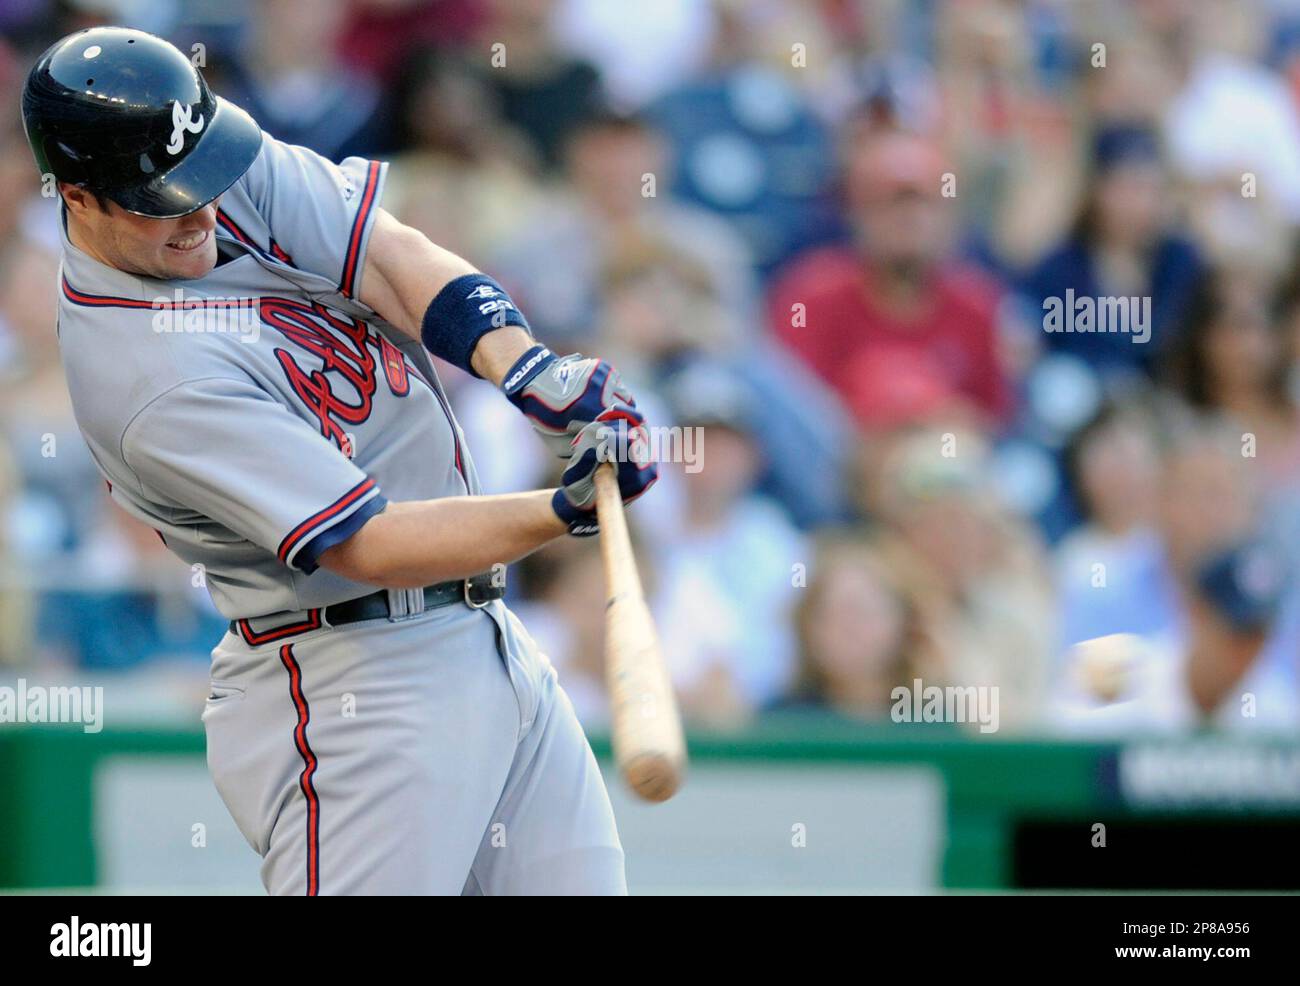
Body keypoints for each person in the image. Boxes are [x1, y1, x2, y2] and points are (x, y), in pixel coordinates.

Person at [23, 26, 659, 895]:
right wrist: (560, 510)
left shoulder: (198, 154)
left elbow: (388, 257)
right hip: (357, 686)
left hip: (480, 636)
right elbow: (365, 541)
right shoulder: (143, 376)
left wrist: (527, 366)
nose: (202, 212)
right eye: (160, 201)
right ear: (77, 199)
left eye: (201, 179)